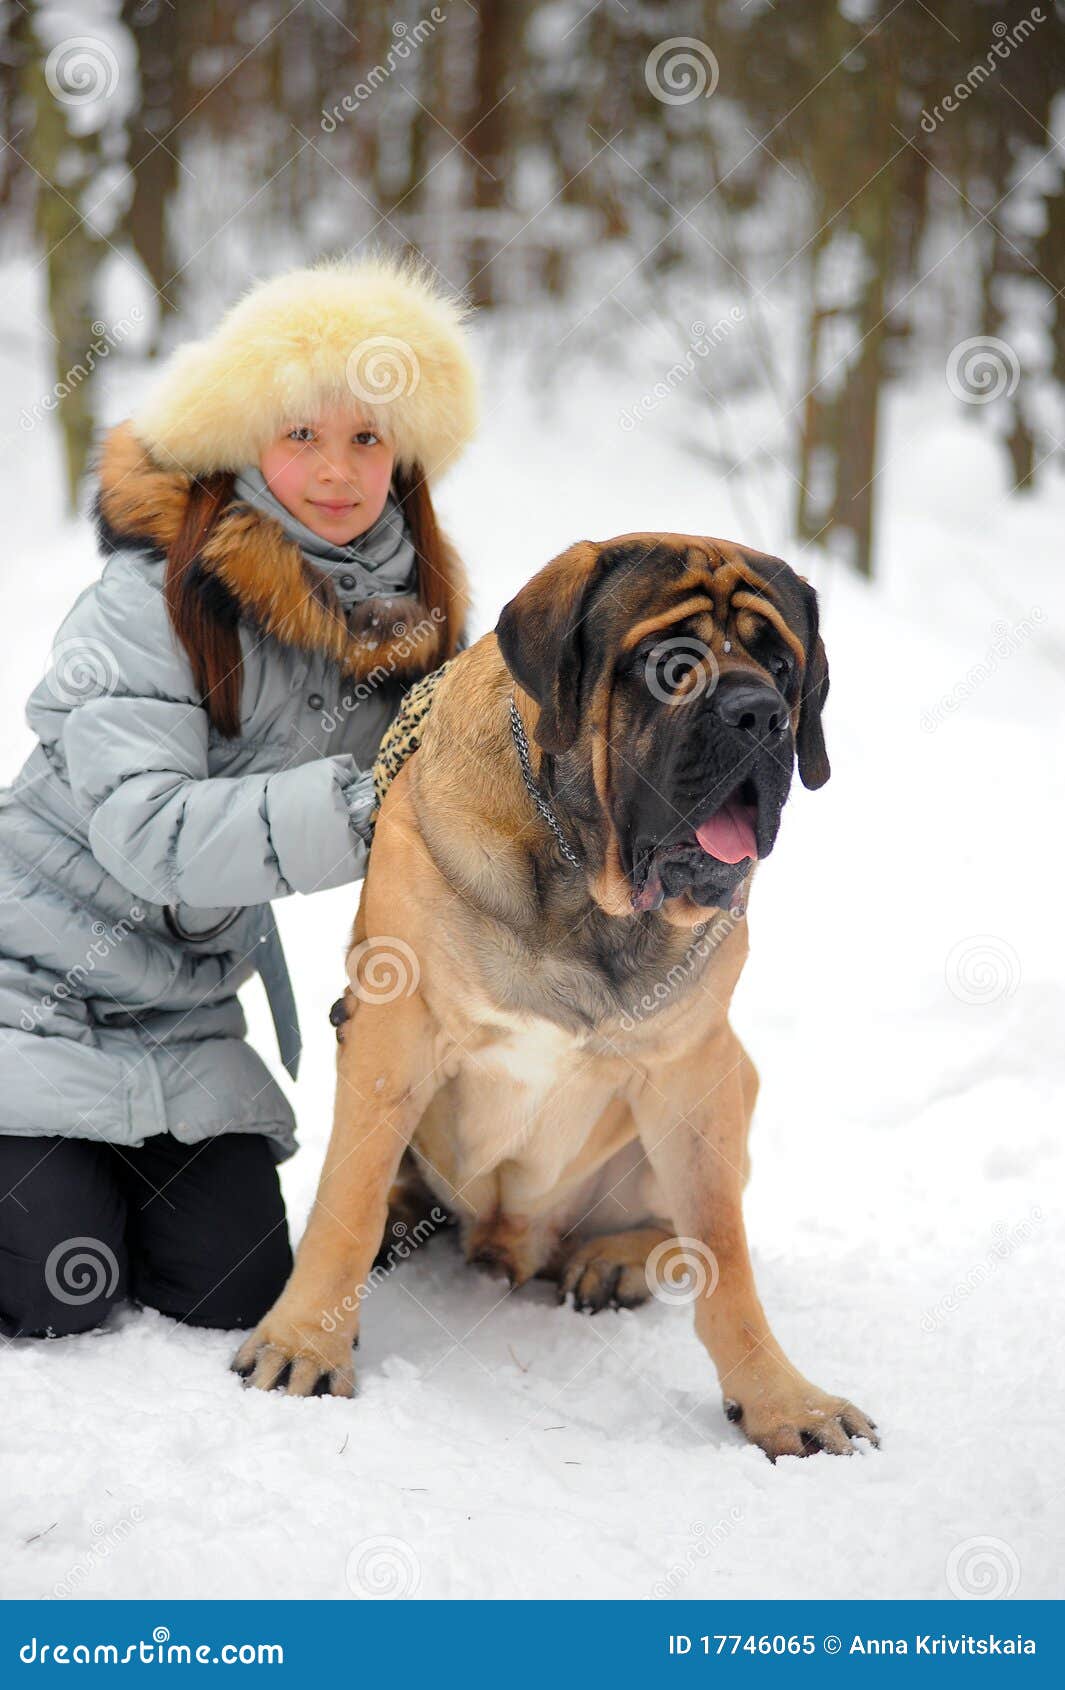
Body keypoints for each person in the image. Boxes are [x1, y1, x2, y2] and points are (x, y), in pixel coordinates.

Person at [0, 251, 479, 1341]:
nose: (337, 470)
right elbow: (150, 833)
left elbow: (476, 765)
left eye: (367, 437)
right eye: (302, 432)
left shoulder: (401, 627)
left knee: (238, 1290)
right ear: (245, 435)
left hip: (180, 1011)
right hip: (24, 982)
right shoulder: (146, 599)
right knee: (51, 1283)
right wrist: (371, 810)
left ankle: (85, 1168)